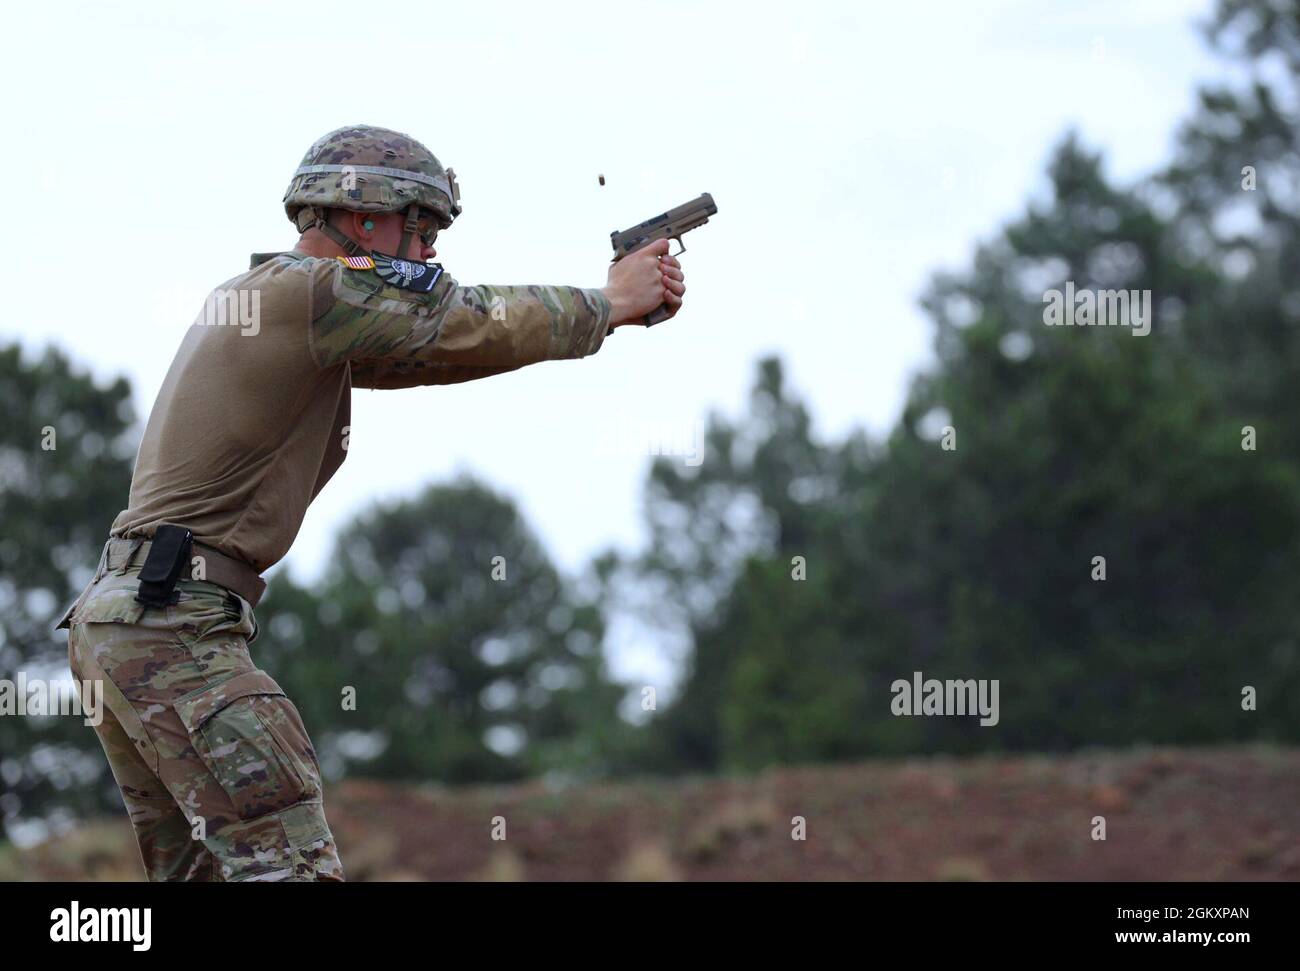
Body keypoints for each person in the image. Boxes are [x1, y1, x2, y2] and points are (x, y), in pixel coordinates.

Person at [55, 124, 687, 881]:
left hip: (126, 621)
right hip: (173, 626)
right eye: (420, 229)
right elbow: (466, 321)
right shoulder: (315, 292)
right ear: (362, 220)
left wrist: (603, 314)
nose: (427, 255)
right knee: (292, 867)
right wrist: (608, 304)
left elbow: (432, 349)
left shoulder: (274, 298)